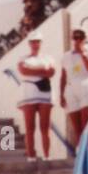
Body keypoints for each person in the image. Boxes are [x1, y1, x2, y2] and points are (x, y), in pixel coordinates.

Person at [17, 32, 57, 161]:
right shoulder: (23, 58)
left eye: (37, 41)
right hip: (28, 93)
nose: (35, 44)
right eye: (33, 42)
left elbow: (51, 72)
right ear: (29, 43)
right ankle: (31, 156)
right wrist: (42, 72)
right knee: (30, 127)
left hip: (44, 93)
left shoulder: (48, 58)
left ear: (41, 43)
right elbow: (23, 70)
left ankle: (47, 155)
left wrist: (32, 71)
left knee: (45, 127)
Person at [61, 28, 88, 149]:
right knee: (78, 130)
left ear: (85, 38)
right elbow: (63, 76)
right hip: (71, 90)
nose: (77, 40)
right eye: (75, 37)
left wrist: (82, 54)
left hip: (87, 88)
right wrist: (61, 95)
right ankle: (83, 160)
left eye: (80, 37)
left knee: (86, 126)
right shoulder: (65, 56)